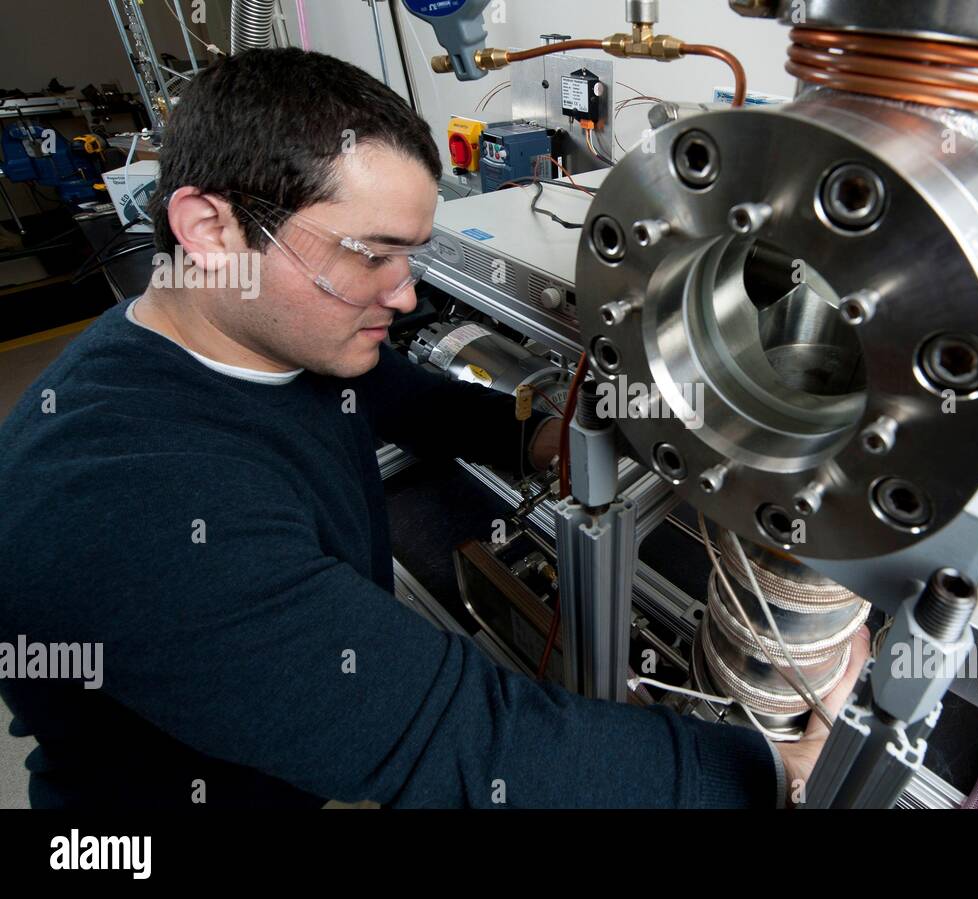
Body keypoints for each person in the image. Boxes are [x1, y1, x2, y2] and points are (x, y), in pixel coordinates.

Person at [0, 48, 866, 808]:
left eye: (410, 253)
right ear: (209, 228)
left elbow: (380, 390)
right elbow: (461, 738)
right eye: (369, 254)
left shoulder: (236, 330)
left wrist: (527, 436)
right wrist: (774, 772)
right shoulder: (125, 507)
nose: (407, 293)